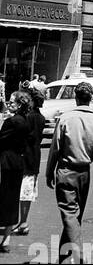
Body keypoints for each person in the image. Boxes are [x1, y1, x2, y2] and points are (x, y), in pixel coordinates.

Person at [45, 80, 93, 264]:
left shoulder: (65, 118)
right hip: (84, 174)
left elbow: (55, 148)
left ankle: (79, 257)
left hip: (66, 171)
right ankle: (63, 258)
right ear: (92, 98)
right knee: (74, 216)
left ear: (75, 97)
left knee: (70, 215)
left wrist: (49, 172)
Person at [0, 92, 32, 253]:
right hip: (18, 163)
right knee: (11, 200)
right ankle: (6, 238)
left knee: (3, 198)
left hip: (5, 162)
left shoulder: (11, 122)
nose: (9, 103)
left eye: (12, 102)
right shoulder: (26, 121)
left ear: (19, 105)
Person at [14, 82, 47, 234]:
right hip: (34, 156)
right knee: (27, 191)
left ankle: (18, 222)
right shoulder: (40, 117)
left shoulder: (25, 117)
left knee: (17, 189)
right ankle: (24, 221)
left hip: (21, 155)